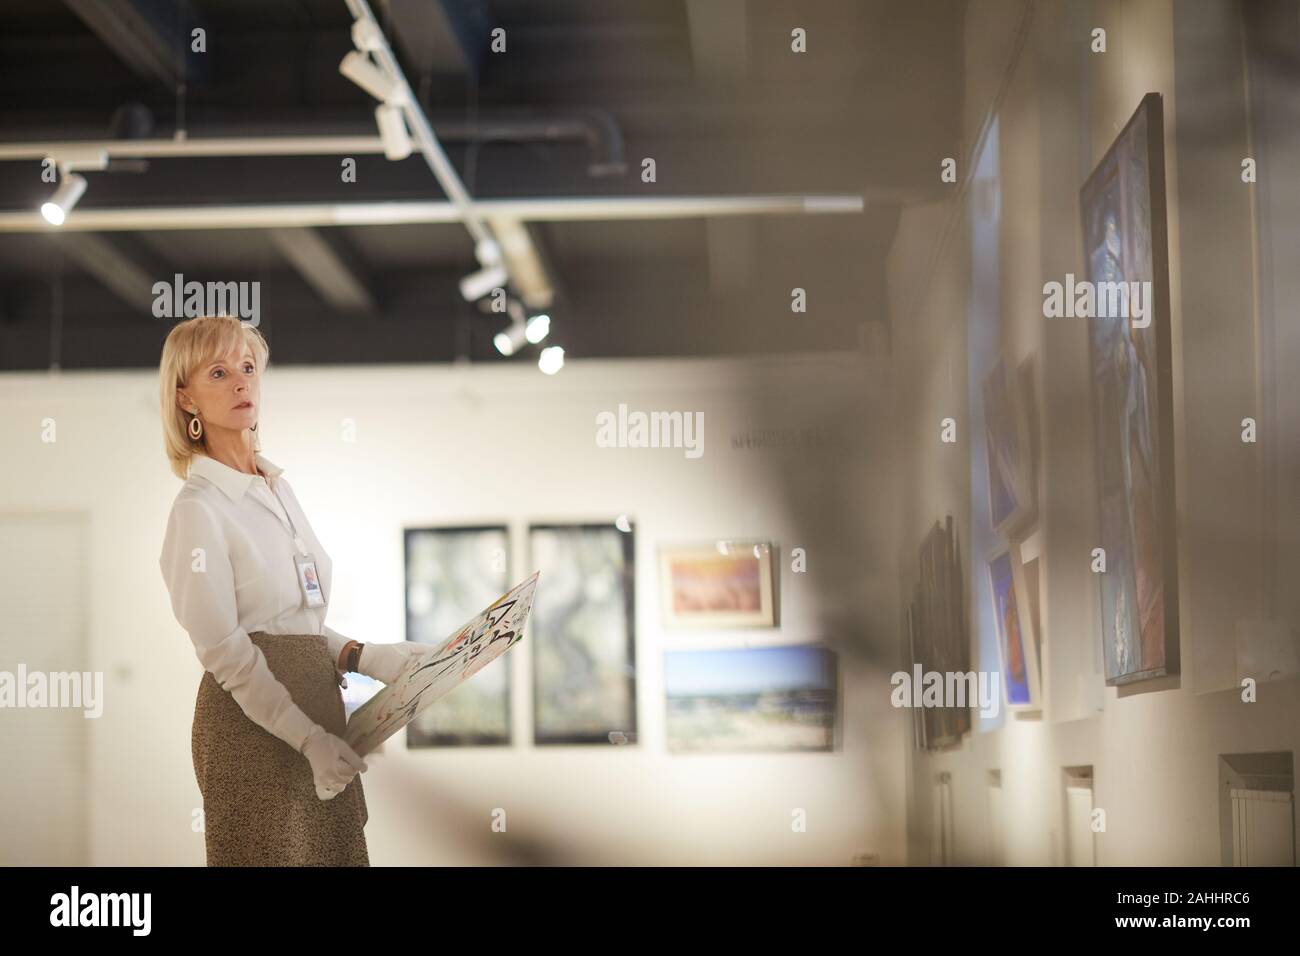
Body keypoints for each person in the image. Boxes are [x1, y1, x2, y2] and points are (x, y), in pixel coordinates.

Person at [157, 314, 425, 866]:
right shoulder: (198, 510)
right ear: (186, 400)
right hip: (252, 734)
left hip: (318, 711)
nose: (241, 382)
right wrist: (307, 739)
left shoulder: (278, 489)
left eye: (249, 368)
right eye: (219, 371)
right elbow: (228, 652)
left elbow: (291, 623)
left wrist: (365, 656)